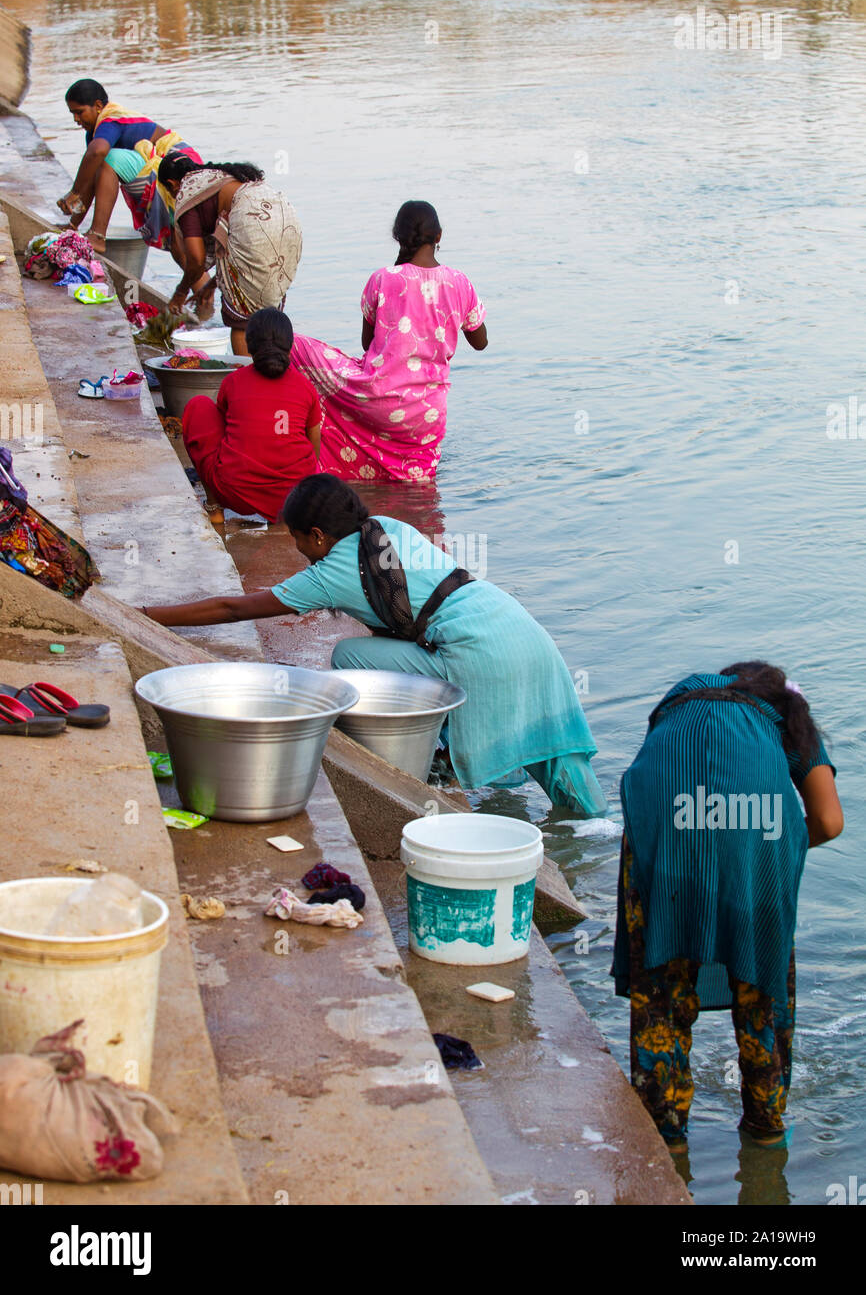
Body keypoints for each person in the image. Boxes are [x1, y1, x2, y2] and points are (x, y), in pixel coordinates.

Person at [142, 474, 606, 817]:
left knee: (349, 657)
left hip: (476, 652)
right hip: (520, 628)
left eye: (298, 539)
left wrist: (148, 617)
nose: (300, 550)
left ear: (318, 536)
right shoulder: (386, 528)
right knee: (563, 769)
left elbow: (232, 609)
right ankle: (600, 841)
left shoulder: (328, 573)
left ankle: (435, 757)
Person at [612, 663, 843, 1152]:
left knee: (663, 986)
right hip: (756, 836)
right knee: (764, 985)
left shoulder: (685, 694)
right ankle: (765, 1129)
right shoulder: (786, 717)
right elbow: (828, 820)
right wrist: (763, 856)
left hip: (663, 832)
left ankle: (665, 1135)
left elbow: (657, 769)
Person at [288, 200, 487, 483]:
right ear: (439, 236)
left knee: (295, 347)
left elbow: (366, 342)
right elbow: (480, 342)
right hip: (427, 416)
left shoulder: (382, 279)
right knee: (420, 490)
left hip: (377, 401)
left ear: (397, 237)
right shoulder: (460, 282)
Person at [181, 308, 322, 525]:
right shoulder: (306, 386)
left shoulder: (233, 382)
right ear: (291, 346)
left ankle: (214, 507)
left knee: (198, 406)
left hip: (235, 493)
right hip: (294, 498)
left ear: (247, 345)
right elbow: (314, 446)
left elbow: (220, 429)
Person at [158, 154, 303, 356]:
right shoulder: (217, 176)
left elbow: (196, 260)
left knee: (242, 319)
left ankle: (248, 380)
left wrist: (180, 294)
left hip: (254, 224)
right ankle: (274, 376)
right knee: (268, 314)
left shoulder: (187, 192)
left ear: (172, 184)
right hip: (285, 217)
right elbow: (228, 256)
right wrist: (209, 286)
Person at [57, 80, 203, 268]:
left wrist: (74, 192)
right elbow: (91, 183)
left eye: (79, 112)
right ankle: (202, 293)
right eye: (72, 114)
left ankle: (98, 236)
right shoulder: (95, 134)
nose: (76, 119)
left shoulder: (111, 119)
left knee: (107, 158)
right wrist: (72, 225)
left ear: (98, 106)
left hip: (177, 164)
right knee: (178, 244)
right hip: (161, 166)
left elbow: (98, 153)